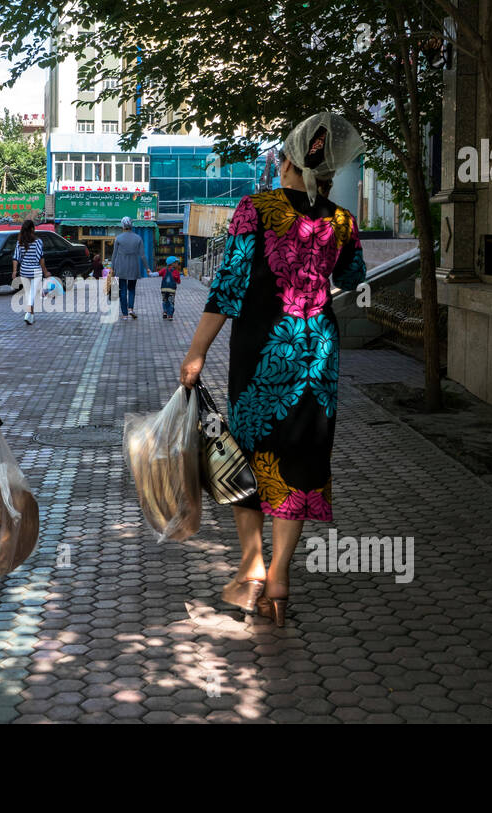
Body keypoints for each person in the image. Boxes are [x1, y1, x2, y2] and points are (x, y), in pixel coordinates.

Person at [180, 111, 367, 627]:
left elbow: (227, 290)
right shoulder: (341, 221)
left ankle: (253, 566)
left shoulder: (254, 210)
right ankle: (280, 577)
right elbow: (354, 274)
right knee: (301, 462)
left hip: (262, 355)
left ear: (285, 161)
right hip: (317, 360)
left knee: (250, 458)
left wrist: (195, 353)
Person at [112, 216, 152, 320]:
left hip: (121, 268)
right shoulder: (138, 238)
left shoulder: (118, 238)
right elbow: (143, 255)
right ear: (131, 225)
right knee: (132, 289)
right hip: (134, 267)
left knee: (123, 291)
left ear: (123, 226)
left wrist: (112, 268)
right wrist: (147, 268)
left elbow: (114, 255)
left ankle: (124, 314)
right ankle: (130, 309)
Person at [11, 219, 49, 325]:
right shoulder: (38, 241)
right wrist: (45, 271)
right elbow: (40, 258)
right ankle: (28, 313)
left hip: (24, 271)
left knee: (29, 293)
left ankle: (31, 316)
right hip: (36, 270)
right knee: (32, 294)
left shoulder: (19, 242)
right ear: (32, 228)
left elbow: (16, 257)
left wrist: (14, 271)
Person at [158, 255, 182, 320]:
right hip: (172, 290)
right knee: (171, 301)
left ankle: (165, 312)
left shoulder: (164, 270)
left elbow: (157, 273)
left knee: (165, 300)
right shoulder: (176, 272)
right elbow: (179, 282)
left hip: (164, 289)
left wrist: (151, 274)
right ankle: (170, 315)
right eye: (176, 263)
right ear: (172, 264)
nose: (177, 264)